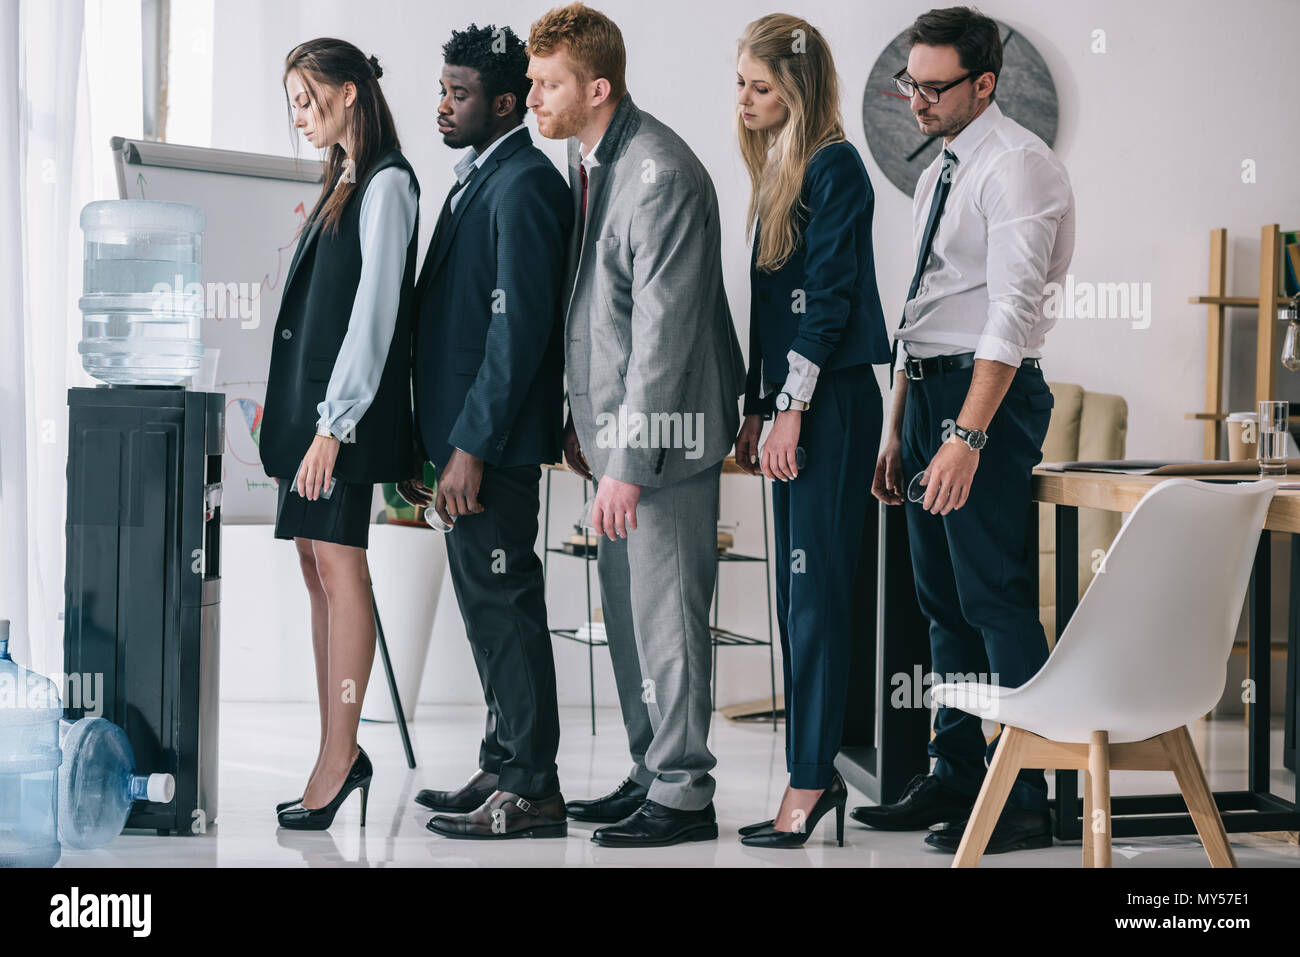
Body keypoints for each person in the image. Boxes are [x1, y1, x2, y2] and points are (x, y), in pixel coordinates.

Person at [526, 2, 746, 848]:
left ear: (598, 85)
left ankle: (686, 791)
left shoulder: (659, 171)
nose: (535, 97)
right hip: (615, 442)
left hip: (663, 440)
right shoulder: (598, 162)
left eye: (549, 84)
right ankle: (652, 767)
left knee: (667, 617)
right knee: (626, 615)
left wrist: (628, 458)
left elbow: (664, 331)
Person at [859, 5, 1075, 855]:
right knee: (940, 605)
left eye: (935, 85)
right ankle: (957, 773)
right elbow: (925, 316)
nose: (916, 98)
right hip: (928, 398)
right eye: (911, 81)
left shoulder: (1020, 168)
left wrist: (967, 436)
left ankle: (1025, 796)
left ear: (985, 83)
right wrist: (897, 426)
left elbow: (1010, 322)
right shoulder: (938, 170)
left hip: (988, 404)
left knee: (994, 598)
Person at [399, 23, 573, 840]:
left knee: (506, 607)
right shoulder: (480, 179)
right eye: (442, 89)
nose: (443, 105)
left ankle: (533, 786)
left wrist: (469, 446)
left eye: (460, 93)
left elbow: (517, 333)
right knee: (485, 610)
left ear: (506, 104)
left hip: (490, 449)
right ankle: (504, 761)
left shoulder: (527, 184)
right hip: (458, 443)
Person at [731, 13, 890, 848]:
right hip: (792, 403)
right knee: (801, 598)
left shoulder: (836, 168)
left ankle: (809, 778)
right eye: (743, 85)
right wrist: (756, 409)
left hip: (830, 402)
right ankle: (810, 770)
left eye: (762, 86)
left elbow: (826, 298)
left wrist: (791, 408)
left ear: (796, 89)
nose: (746, 100)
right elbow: (768, 311)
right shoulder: (778, 174)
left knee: (818, 595)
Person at [260, 38, 421, 830]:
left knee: (340, 564)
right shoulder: (343, 178)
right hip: (310, 423)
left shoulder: (389, 184)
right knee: (313, 563)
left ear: (350, 91)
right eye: (291, 100)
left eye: (306, 96)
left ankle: (341, 754)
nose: (299, 113)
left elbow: (375, 315)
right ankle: (336, 745)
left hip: (342, 424)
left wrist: (334, 426)